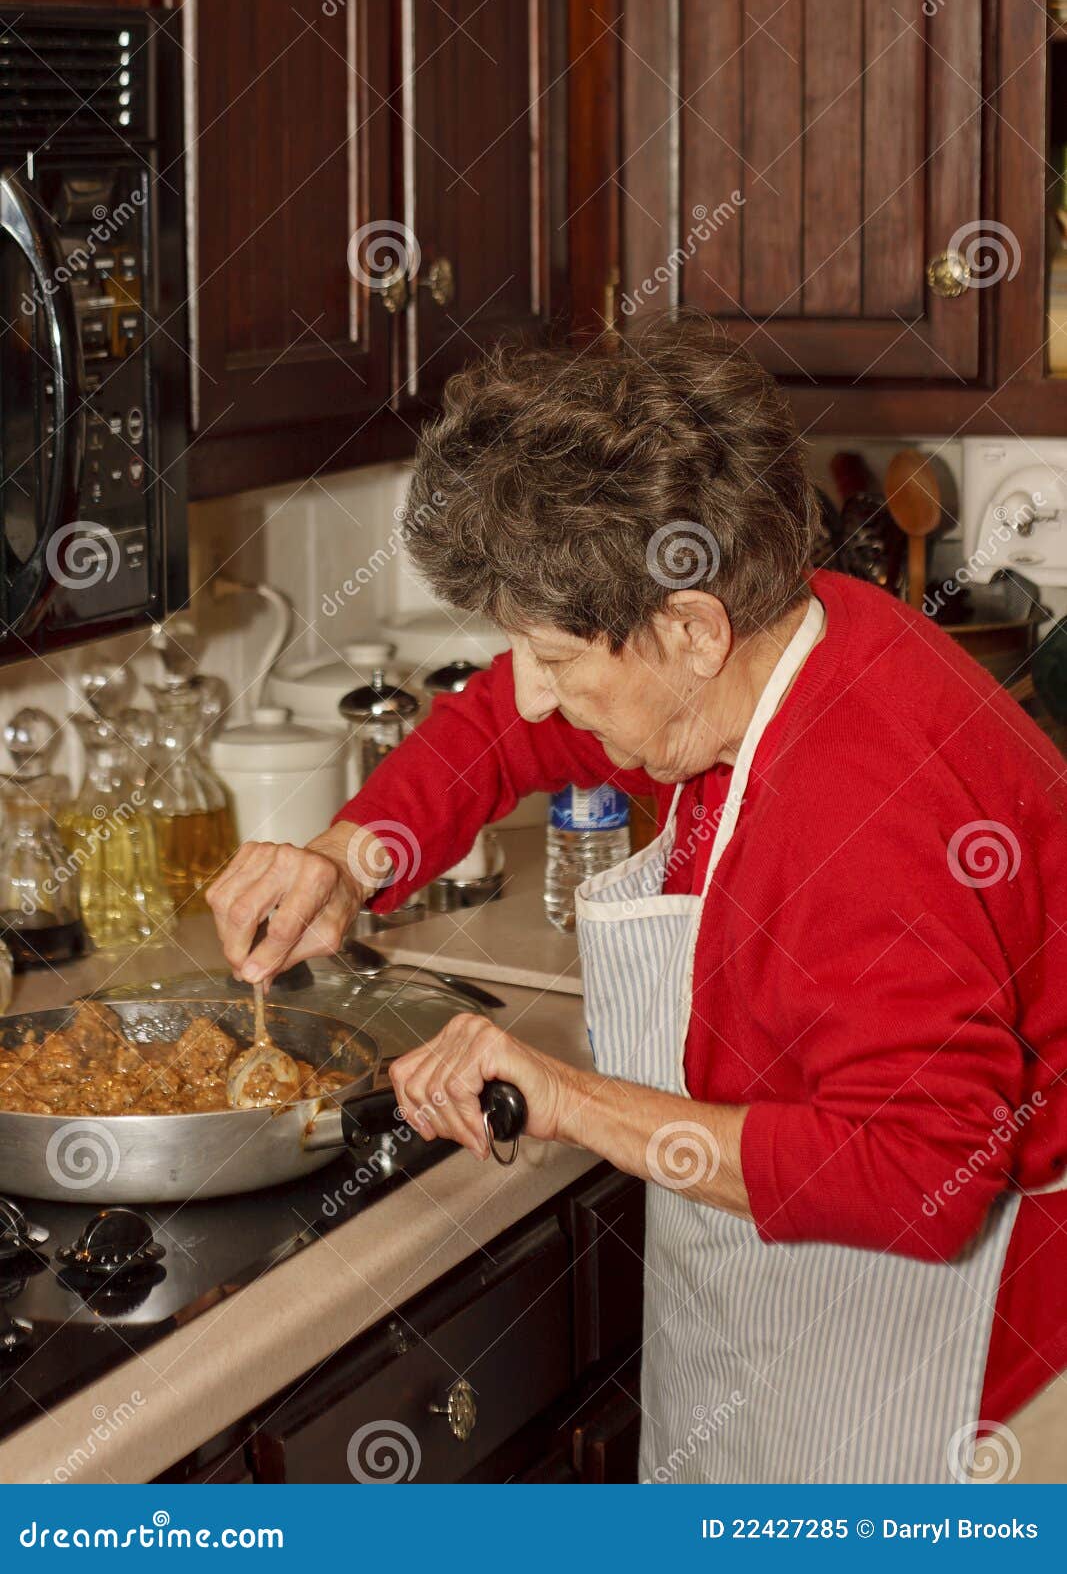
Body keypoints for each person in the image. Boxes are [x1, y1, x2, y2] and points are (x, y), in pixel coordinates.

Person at [208, 314, 1067, 1484]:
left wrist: (569, 1099)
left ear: (687, 627)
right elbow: (502, 727)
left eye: (562, 660)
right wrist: (348, 856)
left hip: (981, 1362)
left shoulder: (864, 816)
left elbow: (918, 1179)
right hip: (805, 1309)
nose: (544, 695)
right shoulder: (770, 643)